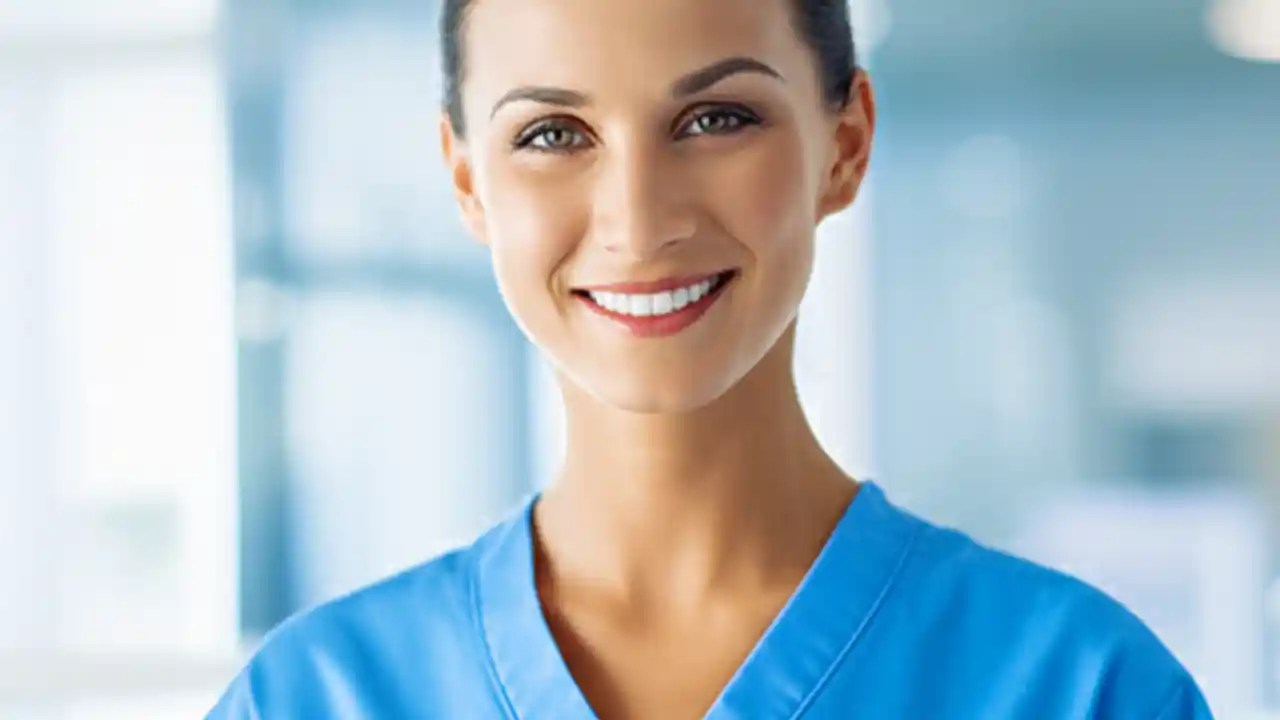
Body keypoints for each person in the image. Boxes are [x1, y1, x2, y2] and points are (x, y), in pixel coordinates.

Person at [208, 0, 1215, 717]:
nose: (639, 222)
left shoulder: (1079, 690)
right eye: (553, 133)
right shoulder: (314, 697)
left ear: (844, 144)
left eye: (715, 119)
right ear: (468, 183)